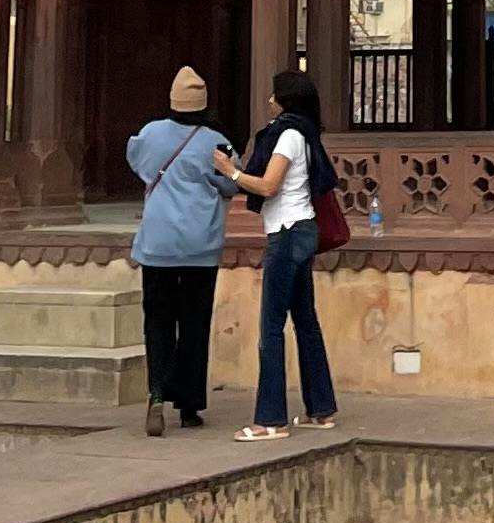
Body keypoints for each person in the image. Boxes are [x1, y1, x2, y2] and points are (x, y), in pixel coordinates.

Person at [226, 66, 340, 438]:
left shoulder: (288, 135)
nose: (269, 100)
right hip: (302, 228)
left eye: (275, 94)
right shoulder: (303, 131)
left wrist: (230, 172)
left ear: (285, 100)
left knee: (272, 327)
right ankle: (321, 409)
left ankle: (270, 419)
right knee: (305, 322)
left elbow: (268, 186)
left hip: (288, 231)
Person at [126, 65, 239, 436]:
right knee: (194, 322)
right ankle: (189, 406)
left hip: (158, 242)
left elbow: (137, 161)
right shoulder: (216, 142)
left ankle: (157, 393)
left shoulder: (150, 133)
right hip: (200, 245)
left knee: (157, 320)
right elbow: (231, 184)